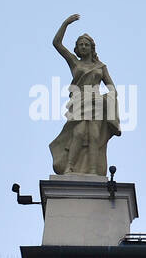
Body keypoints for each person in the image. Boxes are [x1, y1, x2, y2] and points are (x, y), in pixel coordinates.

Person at [48, 13, 121, 175]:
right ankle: (69, 167)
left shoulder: (101, 67)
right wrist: (66, 23)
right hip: (79, 100)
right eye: (80, 44)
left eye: (86, 45)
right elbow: (57, 43)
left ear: (91, 47)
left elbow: (112, 88)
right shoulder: (75, 62)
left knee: (94, 135)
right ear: (77, 48)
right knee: (79, 133)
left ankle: (94, 170)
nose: (83, 47)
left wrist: (106, 98)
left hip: (96, 102)